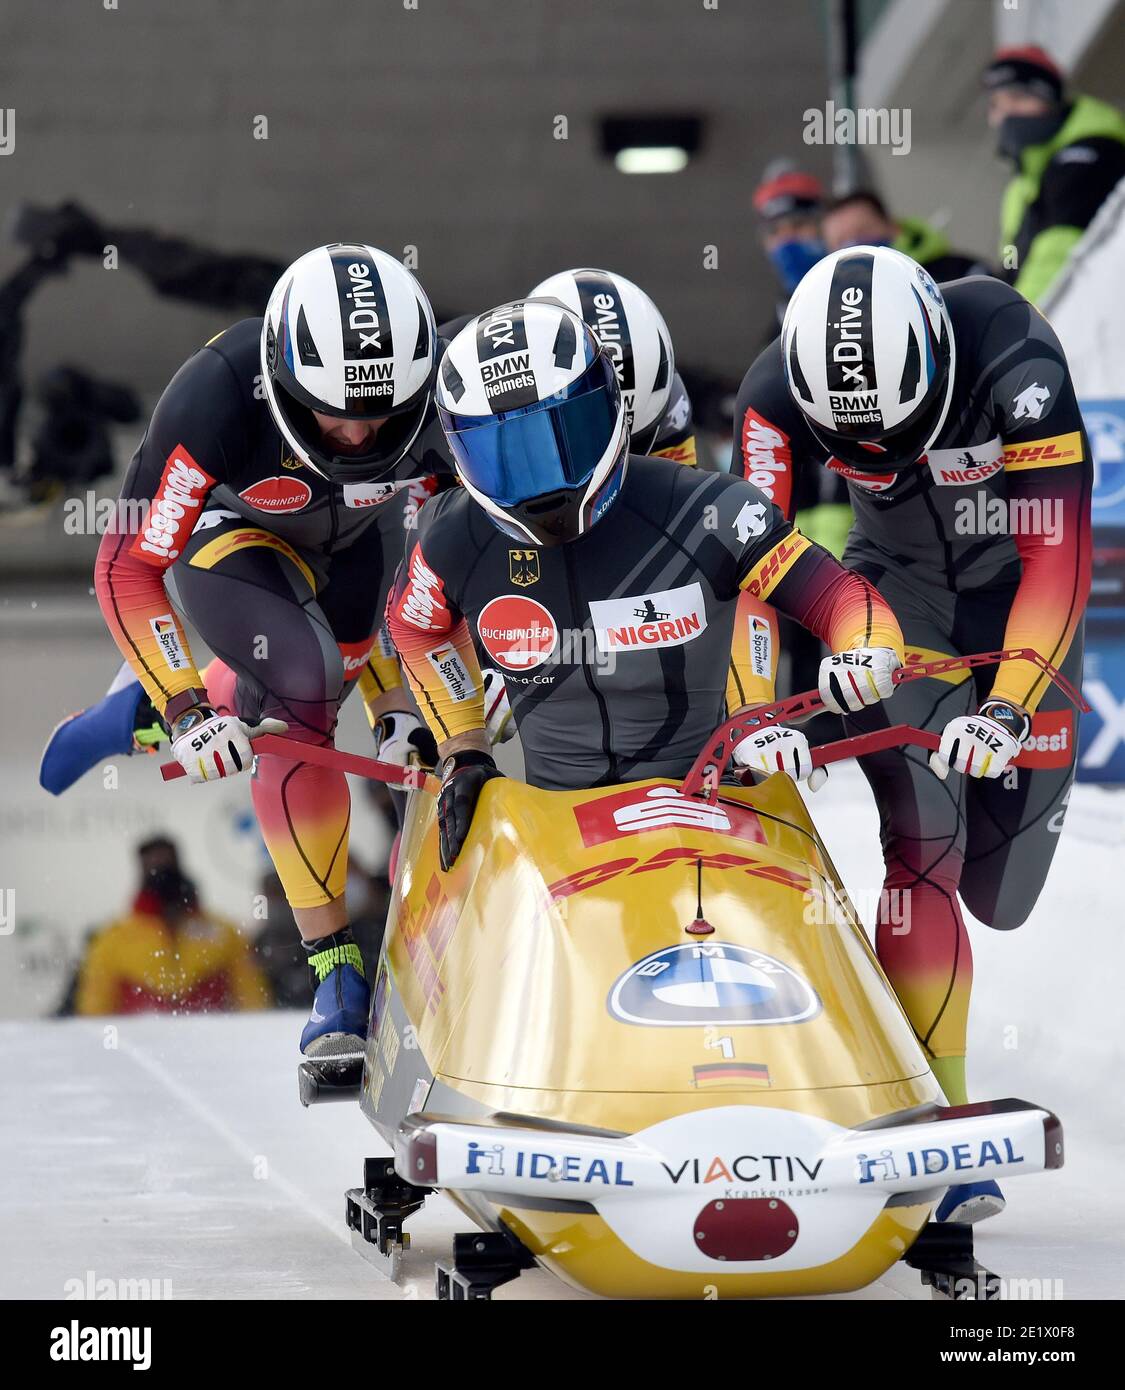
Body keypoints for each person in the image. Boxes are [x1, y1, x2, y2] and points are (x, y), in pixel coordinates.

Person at [730, 245, 1091, 1223]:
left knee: (1000, 893)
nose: (879, 460)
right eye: (858, 451)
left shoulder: (1015, 355)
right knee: (923, 849)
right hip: (899, 602)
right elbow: (755, 571)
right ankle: (944, 1118)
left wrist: (1012, 704)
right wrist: (760, 708)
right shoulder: (770, 392)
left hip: (1018, 598)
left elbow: (1057, 559)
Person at [73, 243, 452, 1063]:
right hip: (233, 538)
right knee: (305, 685)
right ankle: (337, 976)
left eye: (381, 414)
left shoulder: (451, 397)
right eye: (334, 413)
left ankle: (139, 709)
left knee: (339, 660)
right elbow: (126, 564)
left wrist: (398, 707)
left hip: (362, 547)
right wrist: (188, 712)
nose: (357, 433)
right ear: (282, 379)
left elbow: (444, 565)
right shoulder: (214, 396)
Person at [385, 296, 906, 867]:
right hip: (557, 848)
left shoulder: (709, 510)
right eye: (506, 456)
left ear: (612, 411)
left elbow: (837, 595)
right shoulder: (453, 536)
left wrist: (866, 650)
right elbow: (416, 628)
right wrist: (464, 751)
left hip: (712, 816)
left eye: (562, 436)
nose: (541, 483)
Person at [983, 45, 1125, 304]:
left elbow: (1059, 251)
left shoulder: (1092, 148)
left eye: (1017, 98)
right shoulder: (1020, 189)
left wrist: (1020, 321)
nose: (1005, 116)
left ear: (1047, 98)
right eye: (996, 106)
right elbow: (1013, 269)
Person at [72, 837, 270, 1016]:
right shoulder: (113, 939)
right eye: (152, 862)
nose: (160, 867)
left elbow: (253, 1001)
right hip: (141, 1044)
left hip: (213, 1042)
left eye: (166, 860)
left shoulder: (223, 932)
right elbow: (95, 1011)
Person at [822, 189, 993, 281]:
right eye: (841, 241)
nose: (854, 244)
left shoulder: (962, 273)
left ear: (893, 228)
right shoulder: (827, 307)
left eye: (863, 232)